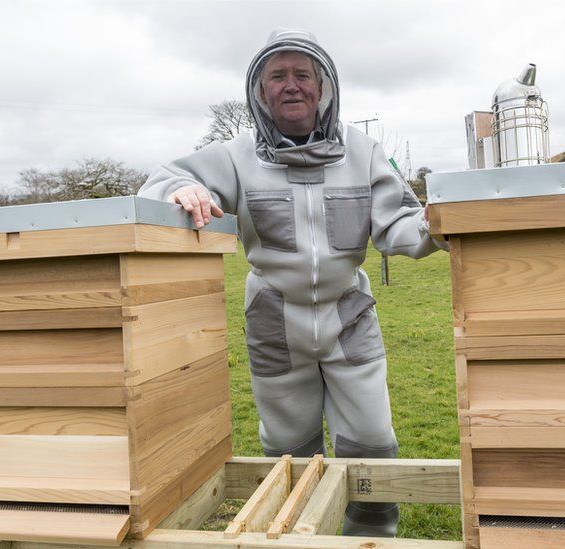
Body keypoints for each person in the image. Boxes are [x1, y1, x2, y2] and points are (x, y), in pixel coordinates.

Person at [138, 28, 446, 537]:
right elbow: (161, 179)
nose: (291, 85)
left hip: (349, 315)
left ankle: (371, 538)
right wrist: (184, 187)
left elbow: (399, 226)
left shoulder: (365, 151)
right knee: (289, 447)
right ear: (259, 92)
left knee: (372, 441)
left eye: (302, 74)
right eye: (276, 76)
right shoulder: (234, 155)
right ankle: (304, 540)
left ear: (324, 88)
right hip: (274, 319)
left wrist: (441, 227)